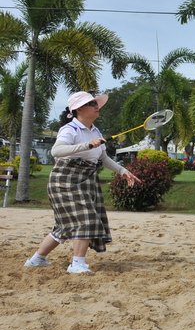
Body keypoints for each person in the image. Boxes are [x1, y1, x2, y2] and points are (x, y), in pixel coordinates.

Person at [24, 92, 143, 274]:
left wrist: (123, 170)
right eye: (91, 103)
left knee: (64, 226)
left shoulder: (95, 131)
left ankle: (36, 259)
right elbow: (56, 151)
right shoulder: (70, 129)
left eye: (96, 103)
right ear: (79, 109)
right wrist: (86, 145)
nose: (97, 106)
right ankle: (77, 263)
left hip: (85, 180)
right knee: (87, 218)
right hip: (64, 181)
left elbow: (102, 157)